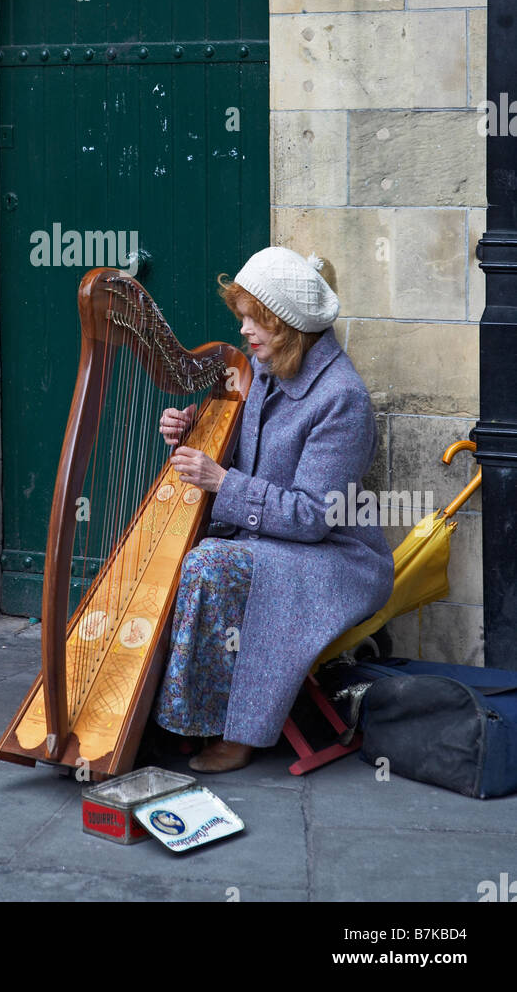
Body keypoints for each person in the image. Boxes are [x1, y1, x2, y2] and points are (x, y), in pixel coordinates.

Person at [152, 246, 394, 772]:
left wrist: (222, 482)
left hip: (336, 557)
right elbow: (243, 453)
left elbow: (312, 517)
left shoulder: (341, 398)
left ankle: (237, 729)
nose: (243, 331)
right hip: (271, 536)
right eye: (241, 317)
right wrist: (189, 434)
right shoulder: (266, 371)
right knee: (171, 550)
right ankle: (178, 713)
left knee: (210, 564)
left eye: (253, 318)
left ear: (286, 323)